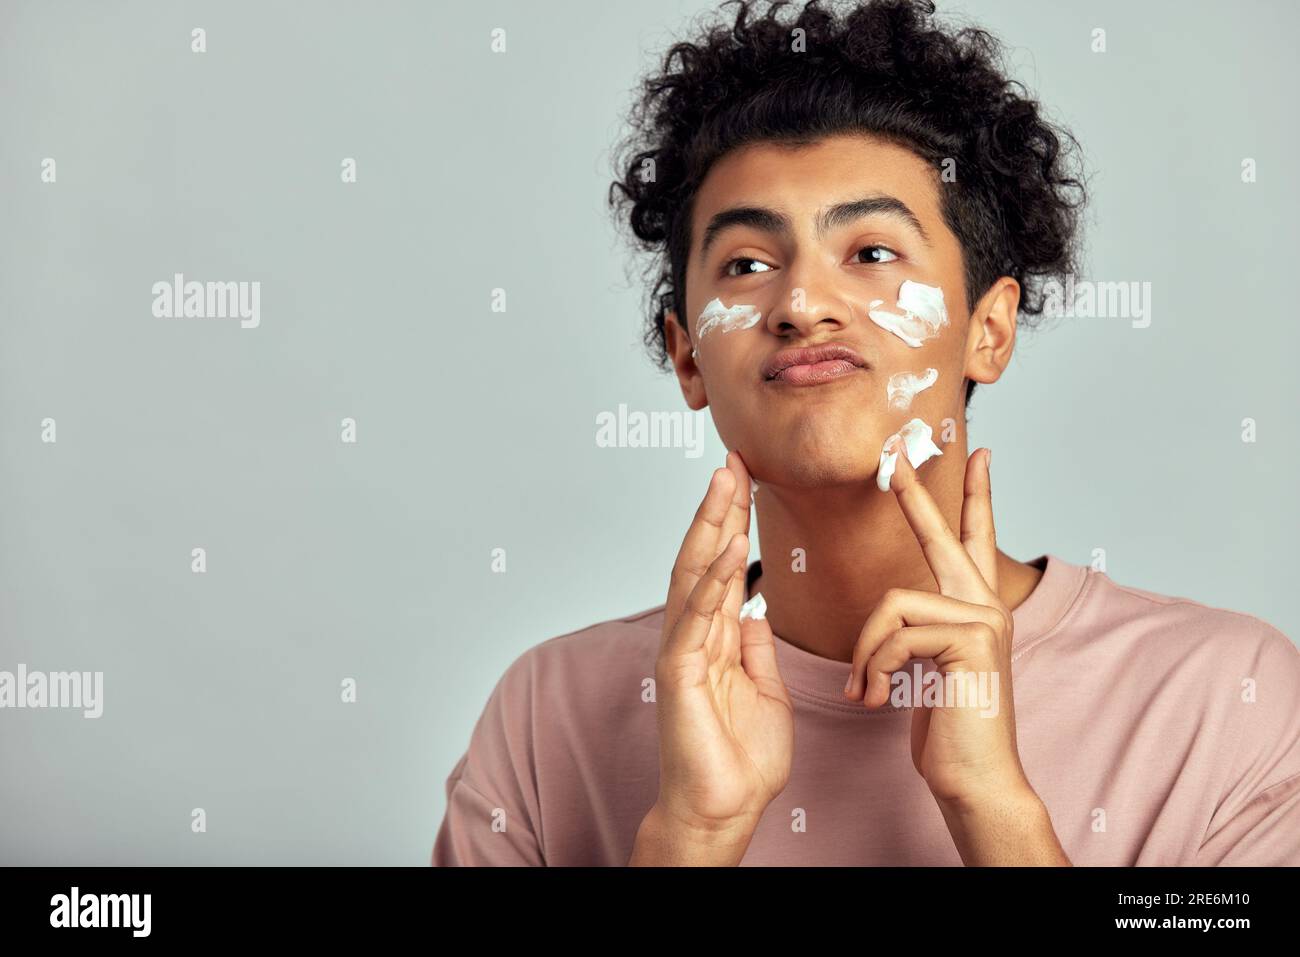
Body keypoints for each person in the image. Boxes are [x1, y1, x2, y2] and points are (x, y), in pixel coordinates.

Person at [432, 0, 1300, 866]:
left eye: (873, 254)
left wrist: (995, 808)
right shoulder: (550, 718)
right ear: (688, 357)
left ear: (988, 331)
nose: (803, 303)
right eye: (747, 265)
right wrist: (689, 838)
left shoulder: (1228, 699)